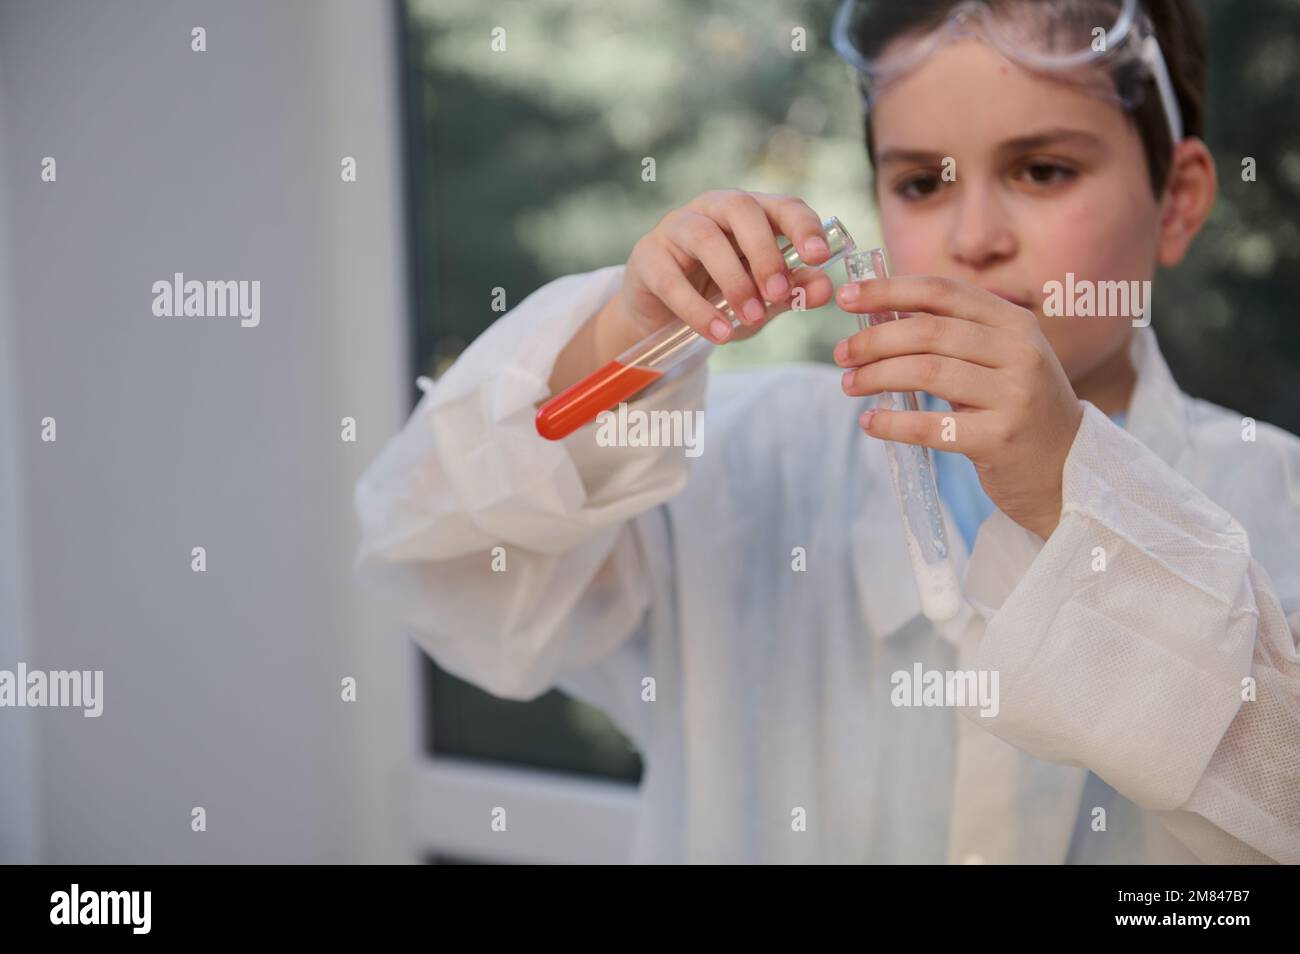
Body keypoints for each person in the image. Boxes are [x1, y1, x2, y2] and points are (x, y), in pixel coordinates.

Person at [353, 0, 1300, 863]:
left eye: (1043, 169)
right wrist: (621, 342)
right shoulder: (740, 462)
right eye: (924, 182)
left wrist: (1080, 499)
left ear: (1178, 200)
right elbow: (431, 549)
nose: (975, 237)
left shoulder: (1278, 498)